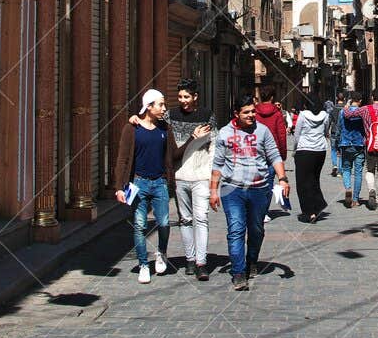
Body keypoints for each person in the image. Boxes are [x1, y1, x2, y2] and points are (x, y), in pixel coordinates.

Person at [209, 95, 288, 291]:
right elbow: (217, 164)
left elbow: (274, 155)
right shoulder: (225, 134)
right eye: (247, 112)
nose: (252, 115)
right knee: (236, 230)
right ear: (236, 114)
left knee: (256, 230)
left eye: (253, 111)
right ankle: (238, 272)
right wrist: (213, 191)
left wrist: (283, 178)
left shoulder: (263, 131)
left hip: (259, 189)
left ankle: (252, 260)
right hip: (231, 189)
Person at [114, 89, 180, 283]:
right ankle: (144, 264)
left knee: (165, 223)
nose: (164, 108)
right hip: (139, 183)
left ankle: (162, 253)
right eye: (160, 105)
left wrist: (193, 138)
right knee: (140, 226)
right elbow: (122, 159)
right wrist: (119, 187)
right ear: (149, 106)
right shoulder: (132, 129)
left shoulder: (165, 129)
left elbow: (173, 154)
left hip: (160, 183)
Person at [166, 80, 214, 280]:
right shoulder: (171, 116)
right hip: (180, 175)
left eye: (187, 96)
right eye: (180, 97)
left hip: (201, 175)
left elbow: (212, 147)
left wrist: (212, 177)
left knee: (201, 218)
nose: (183, 101)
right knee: (185, 219)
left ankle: (201, 262)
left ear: (195, 97)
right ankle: (189, 259)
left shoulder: (206, 116)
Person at [291, 95, 331, 222]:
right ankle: (316, 206)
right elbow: (326, 132)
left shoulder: (303, 115)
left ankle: (308, 212)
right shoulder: (325, 115)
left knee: (302, 182)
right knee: (314, 179)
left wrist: (294, 149)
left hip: (304, 150)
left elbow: (297, 135)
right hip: (320, 151)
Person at [337, 92, 366, 207]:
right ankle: (355, 199)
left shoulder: (342, 112)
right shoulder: (362, 113)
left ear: (350, 100)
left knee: (346, 169)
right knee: (358, 172)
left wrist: (337, 145)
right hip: (359, 144)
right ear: (360, 101)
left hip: (345, 144)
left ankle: (348, 188)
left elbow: (339, 128)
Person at [254, 86, 288, 161]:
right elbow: (281, 135)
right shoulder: (277, 114)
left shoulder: (254, 112)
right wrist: (283, 154)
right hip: (273, 151)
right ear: (272, 98)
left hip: (257, 149)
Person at [326, 94, 343, 178]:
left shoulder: (333, 110)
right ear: (344, 99)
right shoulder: (346, 109)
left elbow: (329, 121)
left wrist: (326, 132)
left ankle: (335, 165)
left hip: (333, 131)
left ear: (336, 99)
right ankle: (340, 171)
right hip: (343, 133)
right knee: (341, 151)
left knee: (333, 149)